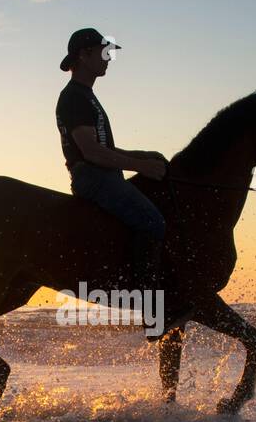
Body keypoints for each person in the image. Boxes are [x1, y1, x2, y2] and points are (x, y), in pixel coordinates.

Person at [55, 27, 171, 290]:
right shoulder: (74, 97)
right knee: (153, 221)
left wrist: (143, 156)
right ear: (84, 55)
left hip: (101, 174)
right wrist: (142, 166)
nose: (108, 58)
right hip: (93, 177)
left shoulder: (86, 96)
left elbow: (104, 148)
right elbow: (92, 152)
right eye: (103, 52)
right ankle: (150, 302)